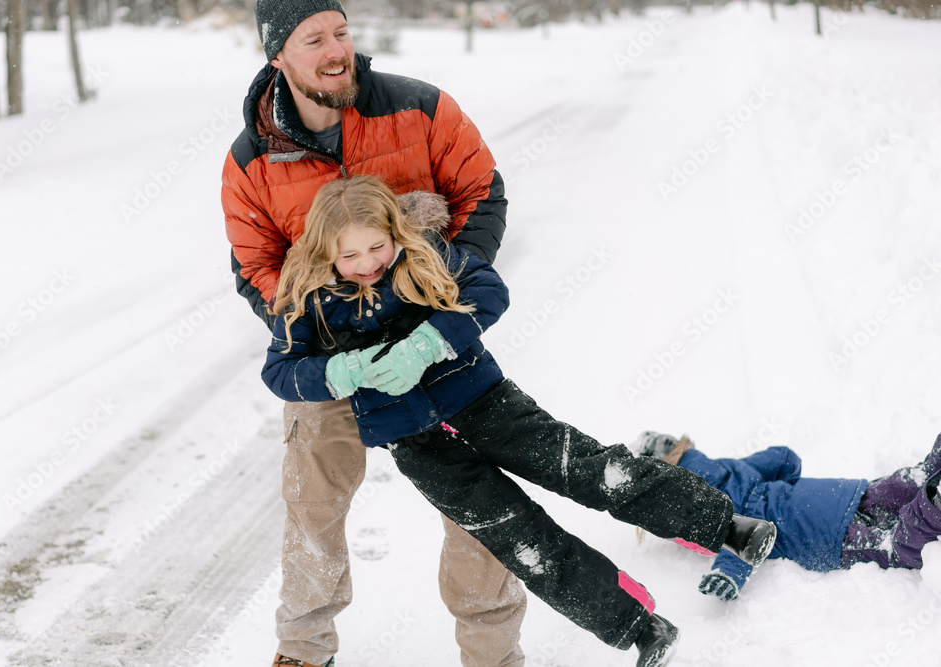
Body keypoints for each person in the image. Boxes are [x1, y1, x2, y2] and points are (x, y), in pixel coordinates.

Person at [261, 175, 779, 667]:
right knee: (522, 541)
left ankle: (723, 524)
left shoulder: (423, 256)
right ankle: (639, 627)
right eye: (349, 255)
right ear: (325, 252)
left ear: (397, 232)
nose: (367, 263)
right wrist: (341, 370)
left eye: (377, 247)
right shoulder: (309, 299)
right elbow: (280, 369)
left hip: (489, 405)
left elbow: (488, 291)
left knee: (593, 472)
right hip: (418, 447)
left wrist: (426, 344)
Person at [220, 1, 524, 665]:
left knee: (480, 499)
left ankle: (494, 653)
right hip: (334, 361)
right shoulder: (252, 158)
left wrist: (440, 303)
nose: (336, 51)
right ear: (278, 56)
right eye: (314, 39)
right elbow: (255, 264)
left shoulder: (420, 107)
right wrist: (313, 333)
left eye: (341, 32)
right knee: (312, 501)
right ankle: (303, 648)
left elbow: (482, 191)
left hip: (434, 348)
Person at [635, 432, 941, 602]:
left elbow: (740, 535)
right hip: (835, 495)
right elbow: (785, 457)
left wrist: (727, 573)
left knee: (896, 544)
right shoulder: (733, 468)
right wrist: (778, 488)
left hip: (821, 533)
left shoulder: (700, 504)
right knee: (906, 483)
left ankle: (936, 503)